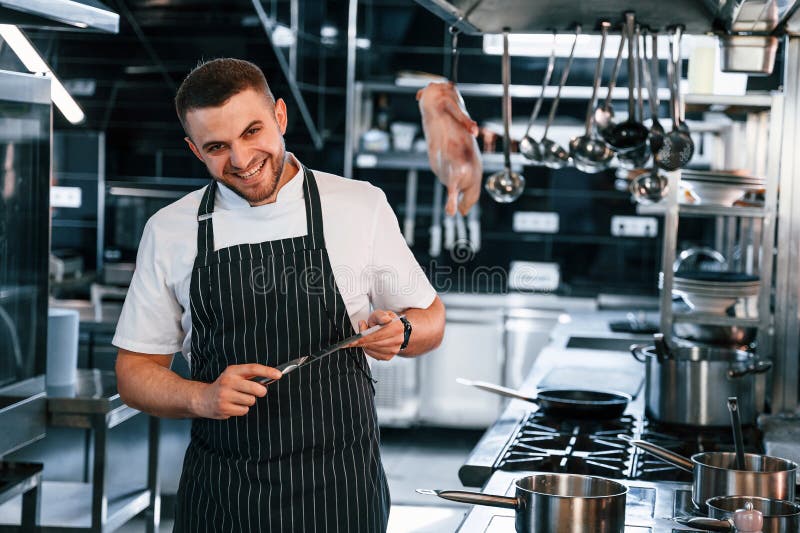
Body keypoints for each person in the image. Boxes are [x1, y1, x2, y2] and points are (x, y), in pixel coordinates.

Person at [113, 57, 446, 533]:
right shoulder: (170, 230)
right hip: (224, 495)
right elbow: (134, 373)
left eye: (252, 132)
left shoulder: (358, 204)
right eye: (217, 147)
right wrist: (202, 397)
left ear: (280, 116)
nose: (241, 160)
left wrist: (404, 331)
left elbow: (431, 317)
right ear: (194, 150)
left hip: (341, 490)